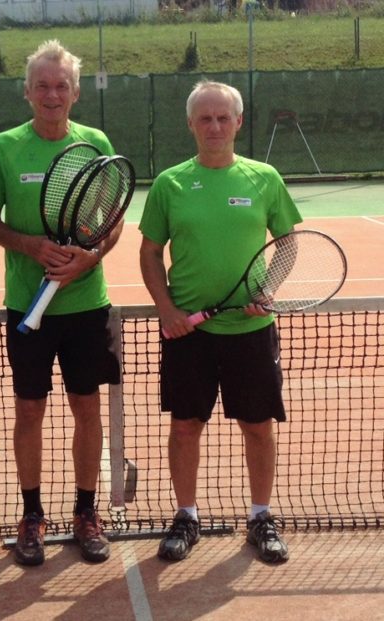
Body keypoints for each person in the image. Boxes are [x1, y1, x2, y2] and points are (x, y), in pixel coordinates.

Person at [0, 40, 122, 566]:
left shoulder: (95, 141)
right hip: (27, 305)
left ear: (76, 92)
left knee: (87, 408)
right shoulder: (3, 147)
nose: (52, 94)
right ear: (27, 92)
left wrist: (90, 258)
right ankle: (32, 515)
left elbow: (112, 219)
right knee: (30, 411)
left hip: (85, 306)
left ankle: (86, 512)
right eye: (42, 85)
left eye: (61, 86)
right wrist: (31, 245)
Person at [139, 80, 300, 564]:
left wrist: (268, 289)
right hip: (188, 333)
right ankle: (186, 515)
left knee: (258, 425)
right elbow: (149, 253)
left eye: (222, 117)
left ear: (238, 122)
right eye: (204, 118)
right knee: (186, 425)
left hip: (250, 333)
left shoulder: (264, 178)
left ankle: (260, 516)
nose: (214, 126)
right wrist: (166, 310)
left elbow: (288, 243)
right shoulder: (170, 183)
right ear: (190, 124)